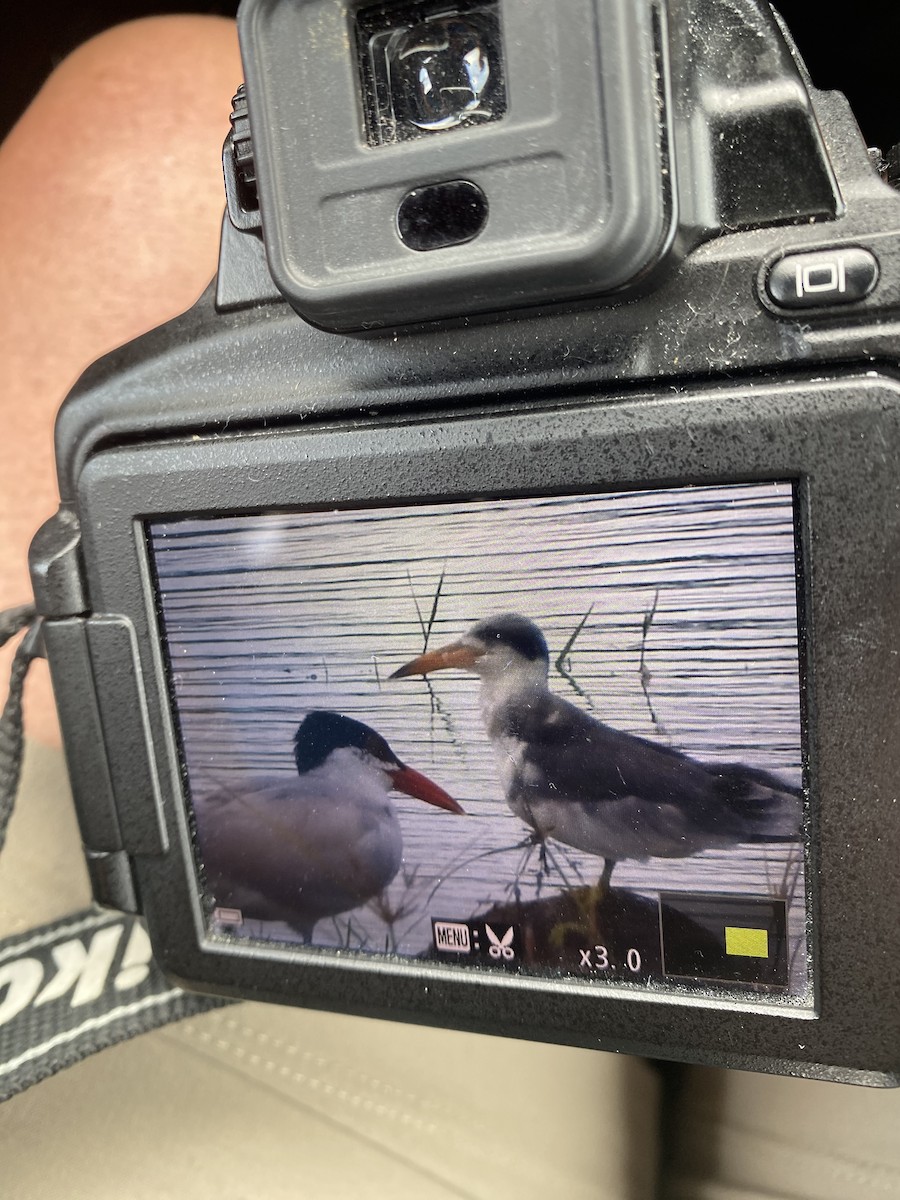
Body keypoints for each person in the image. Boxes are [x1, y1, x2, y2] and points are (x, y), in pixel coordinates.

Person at [1, 18, 899, 1199]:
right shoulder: (531, 743)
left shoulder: (540, 751)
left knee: (139, 98)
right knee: (145, 102)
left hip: (737, 867)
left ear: (510, 659)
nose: (459, 657)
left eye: (477, 646)